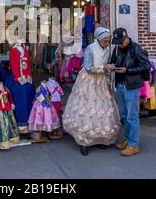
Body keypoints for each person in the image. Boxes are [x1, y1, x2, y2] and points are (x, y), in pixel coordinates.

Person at [63, 27, 121, 156]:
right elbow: (88, 67)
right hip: (89, 81)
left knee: (102, 107)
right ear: (99, 39)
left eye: (109, 40)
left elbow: (106, 64)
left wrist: (108, 69)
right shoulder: (90, 48)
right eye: (105, 40)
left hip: (101, 81)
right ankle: (84, 140)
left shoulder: (107, 49)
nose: (107, 43)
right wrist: (104, 67)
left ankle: (100, 137)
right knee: (87, 107)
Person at [106, 28, 150, 156]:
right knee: (124, 115)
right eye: (117, 42)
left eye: (121, 41)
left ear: (126, 37)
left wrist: (128, 70)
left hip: (131, 85)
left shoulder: (136, 48)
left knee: (132, 116)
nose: (119, 44)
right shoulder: (117, 49)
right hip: (120, 84)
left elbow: (145, 65)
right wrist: (111, 66)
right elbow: (113, 61)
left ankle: (133, 144)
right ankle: (128, 139)